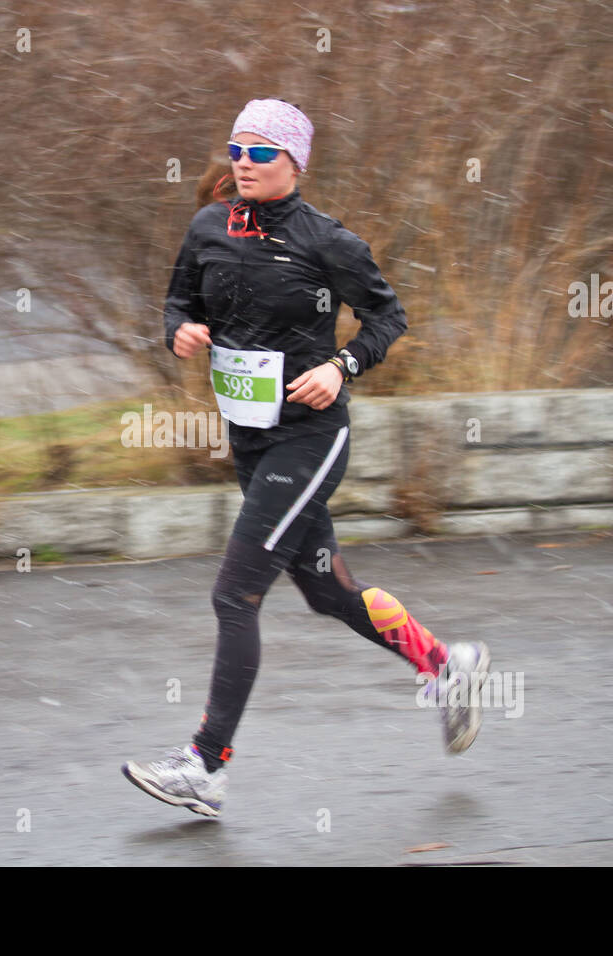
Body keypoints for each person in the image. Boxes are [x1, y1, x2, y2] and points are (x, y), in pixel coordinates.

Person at [122, 98, 490, 817]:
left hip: (309, 438)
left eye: (261, 152)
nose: (243, 163)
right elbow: (175, 302)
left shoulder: (328, 242)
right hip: (250, 438)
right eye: (236, 148)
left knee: (234, 593)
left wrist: (343, 367)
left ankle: (206, 764)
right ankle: (449, 667)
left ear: (295, 161)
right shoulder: (208, 227)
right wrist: (183, 332)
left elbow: (389, 317)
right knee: (326, 592)